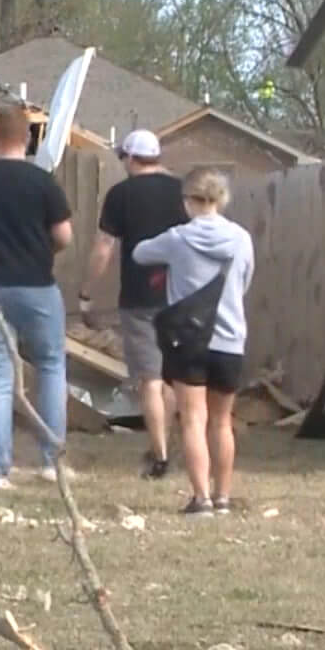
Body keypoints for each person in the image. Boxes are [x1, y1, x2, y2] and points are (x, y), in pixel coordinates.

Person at [0, 104, 73, 489]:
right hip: (37, 285)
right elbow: (64, 236)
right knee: (52, 367)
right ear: (27, 138)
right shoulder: (42, 182)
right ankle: (51, 461)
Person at [132, 166, 255, 516]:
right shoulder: (242, 239)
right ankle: (224, 497)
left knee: (193, 420)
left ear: (188, 200)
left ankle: (200, 498)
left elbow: (140, 253)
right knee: (222, 421)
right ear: (222, 199)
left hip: (188, 341)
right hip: (229, 339)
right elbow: (244, 281)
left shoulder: (177, 238)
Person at [81, 129, 187, 479]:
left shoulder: (121, 195)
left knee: (150, 381)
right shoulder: (182, 191)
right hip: (181, 298)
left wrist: (86, 291)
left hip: (140, 300)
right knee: (170, 381)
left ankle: (159, 457)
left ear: (129, 158)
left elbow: (104, 248)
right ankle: (163, 444)